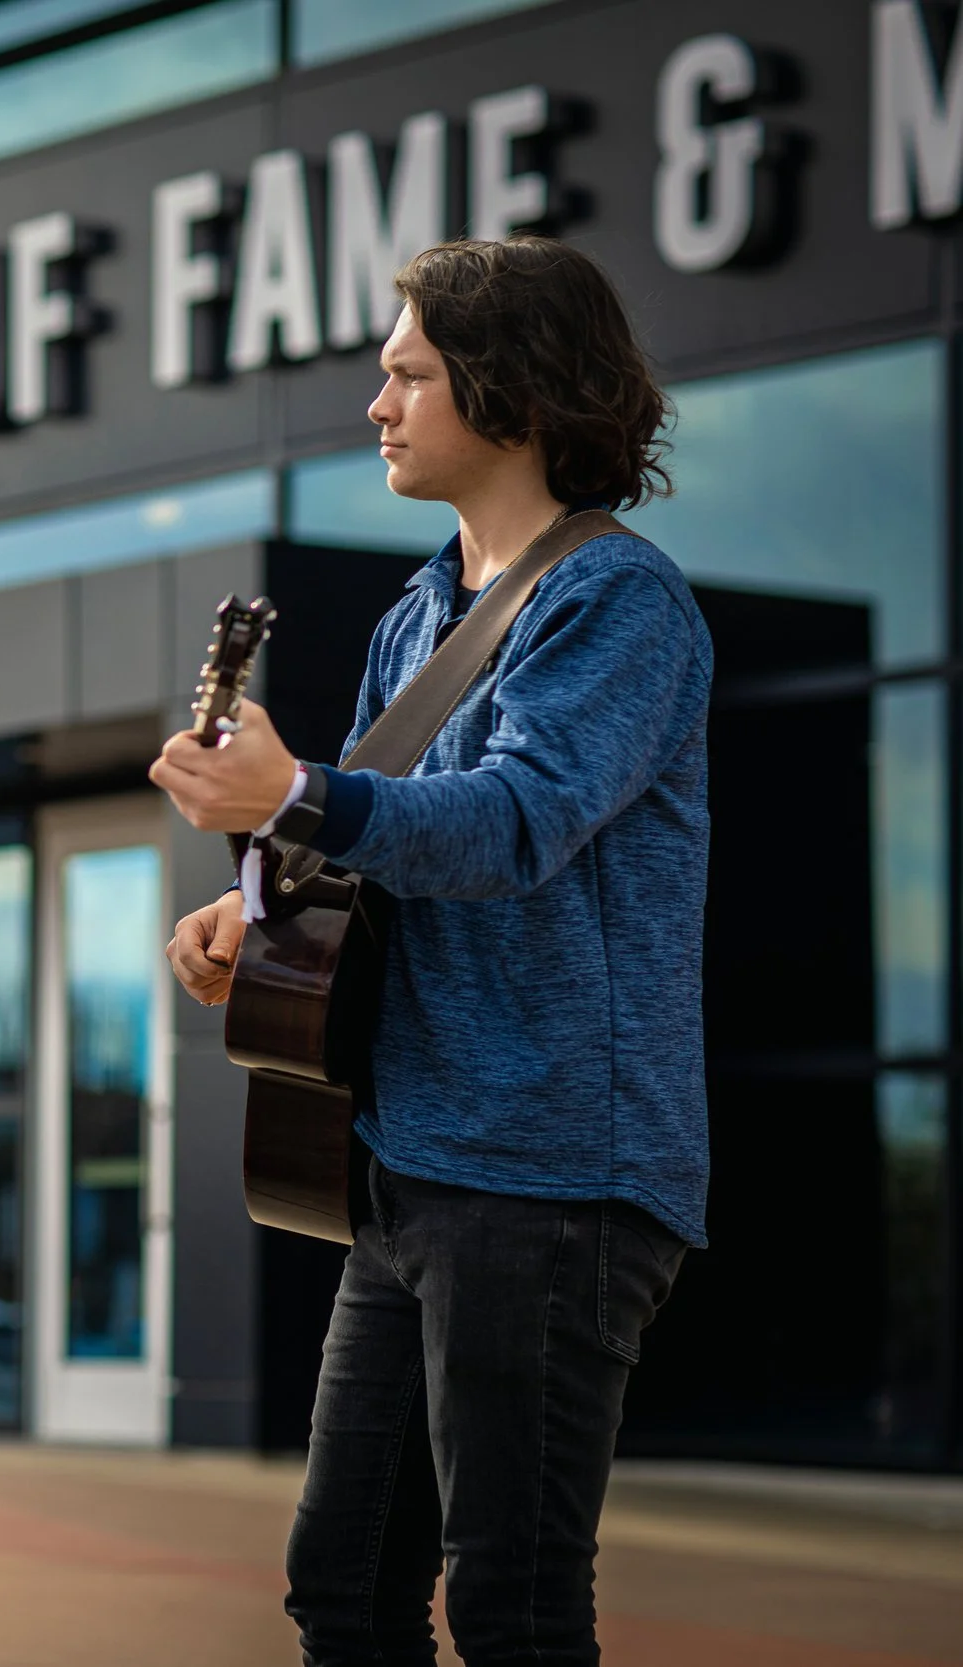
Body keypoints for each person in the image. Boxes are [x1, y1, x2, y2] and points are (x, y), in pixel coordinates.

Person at [149, 237, 709, 1666]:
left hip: (551, 1173)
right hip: (411, 1166)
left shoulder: (617, 602)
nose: (378, 404)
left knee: (513, 1609)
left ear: (508, 389)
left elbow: (516, 822)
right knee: (343, 1592)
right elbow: (379, 847)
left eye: (407, 374)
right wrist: (259, 902)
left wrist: (290, 794)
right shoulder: (417, 611)